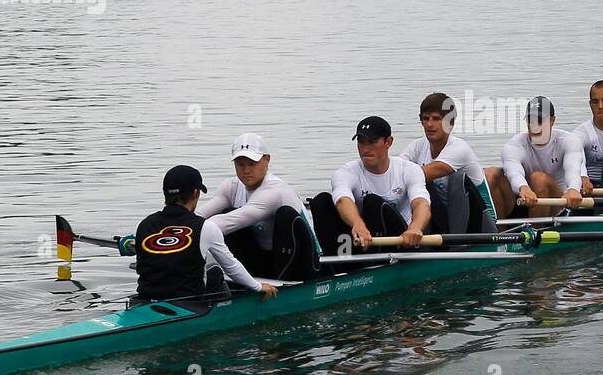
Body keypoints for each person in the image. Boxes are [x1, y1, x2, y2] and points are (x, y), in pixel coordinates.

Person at [134, 164, 278, 303]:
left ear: (165, 193)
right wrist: (258, 286)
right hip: (189, 305)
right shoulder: (205, 227)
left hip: (143, 300)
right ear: (196, 193)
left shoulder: (144, 225)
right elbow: (232, 267)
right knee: (214, 271)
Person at [197, 133, 320, 280]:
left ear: (267, 160)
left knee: (285, 214)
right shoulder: (231, 187)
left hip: (304, 265)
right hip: (266, 260)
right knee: (227, 211)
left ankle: (282, 289)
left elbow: (226, 222)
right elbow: (198, 216)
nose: (246, 170)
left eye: (252, 163)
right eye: (241, 164)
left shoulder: (275, 191)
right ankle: (248, 284)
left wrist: (185, 233)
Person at [310, 116, 431, 251]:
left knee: (372, 202)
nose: (365, 149)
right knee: (321, 201)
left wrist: (415, 228)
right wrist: (357, 223)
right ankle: (338, 263)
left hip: (402, 239)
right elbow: (342, 200)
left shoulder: (409, 169)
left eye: (372, 142)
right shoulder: (347, 172)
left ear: (389, 142)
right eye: (361, 142)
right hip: (362, 238)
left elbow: (421, 203)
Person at [400, 92, 498, 233]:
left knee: (446, 178)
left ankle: (455, 244)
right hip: (445, 219)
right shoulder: (417, 147)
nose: (429, 124)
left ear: (450, 122)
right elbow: (397, 171)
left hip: (481, 224)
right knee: (416, 181)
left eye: (436, 119)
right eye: (426, 119)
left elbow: (422, 173)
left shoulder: (459, 148)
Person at [485, 96, 586, 219]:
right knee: (490, 174)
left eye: (540, 121)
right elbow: (513, 171)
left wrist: (574, 188)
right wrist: (523, 187)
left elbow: (574, 169)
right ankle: (499, 232)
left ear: (552, 121)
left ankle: (534, 231)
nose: (535, 127)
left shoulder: (568, 140)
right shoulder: (515, 145)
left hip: (558, 203)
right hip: (524, 199)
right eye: (531, 121)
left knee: (538, 179)